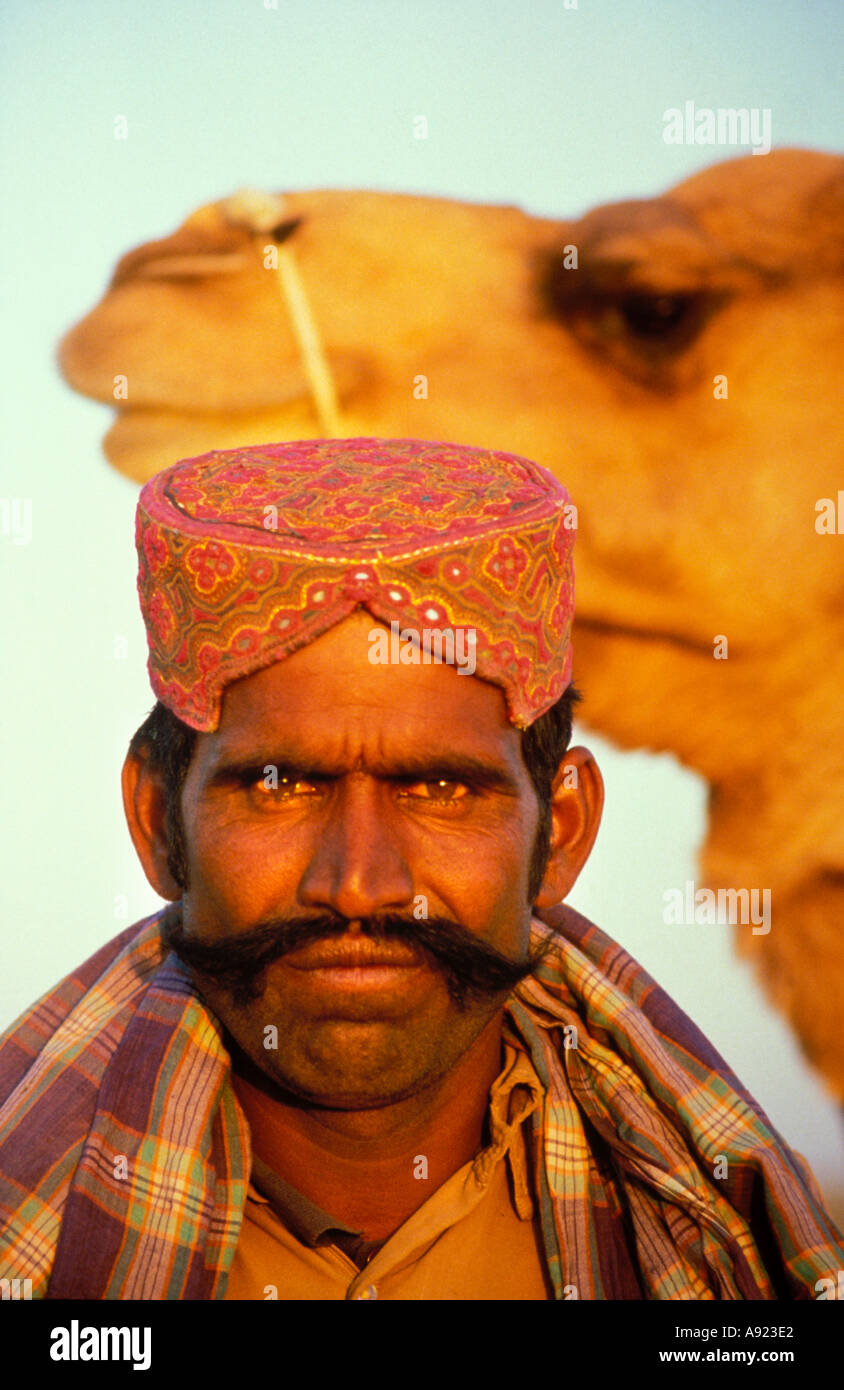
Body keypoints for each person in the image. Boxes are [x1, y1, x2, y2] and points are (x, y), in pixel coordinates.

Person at [0, 437, 841, 1301]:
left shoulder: (723, 1268)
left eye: (441, 788)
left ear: (561, 831)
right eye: (281, 786)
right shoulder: (36, 1242)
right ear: (156, 826)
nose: (360, 883)